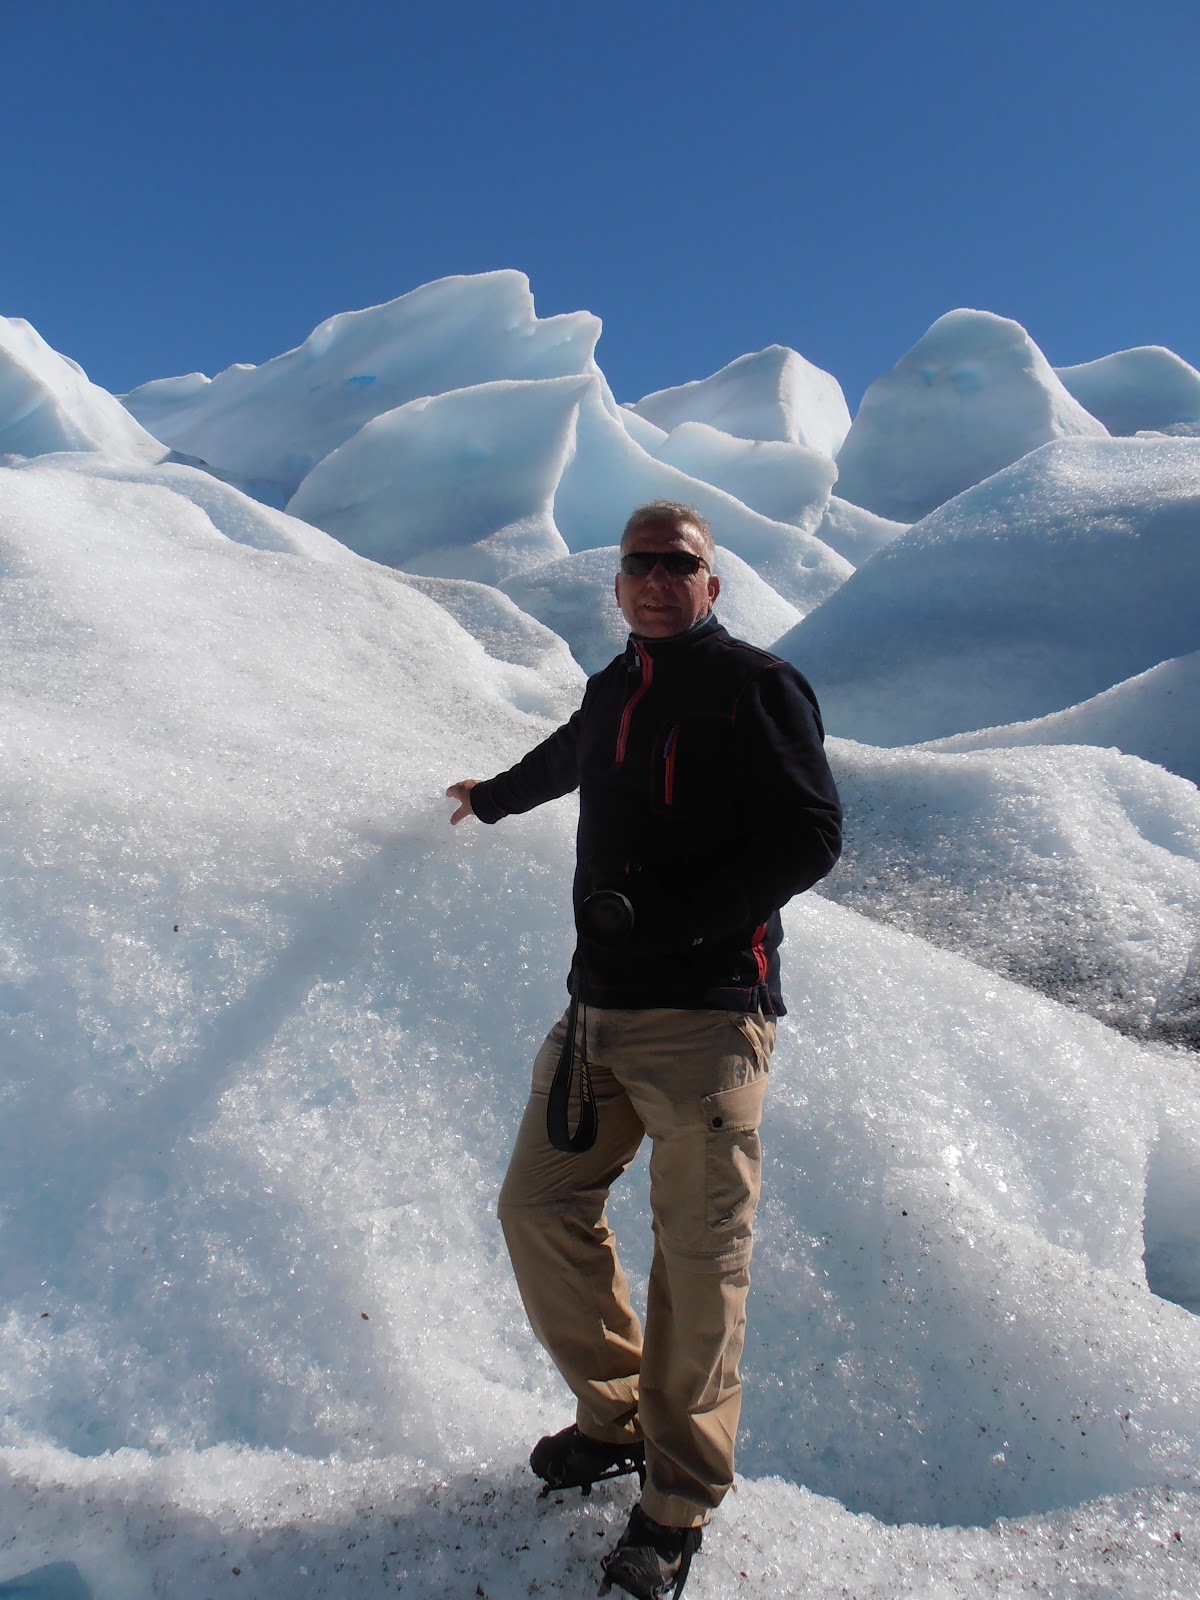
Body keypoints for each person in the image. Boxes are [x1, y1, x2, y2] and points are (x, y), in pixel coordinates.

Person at [446, 501, 842, 1600]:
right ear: (616, 583)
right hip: (597, 1012)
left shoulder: (759, 687)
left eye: (682, 563)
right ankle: (618, 1414)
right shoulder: (616, 686)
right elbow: (575, 754)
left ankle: (675, 1502)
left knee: (698, 1260)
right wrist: (490, 800)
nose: (659, 577)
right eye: (640, 563)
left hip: (709, 1017)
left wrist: (684, 922)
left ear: (713, 583)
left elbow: (812, 832)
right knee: (537, 1203)